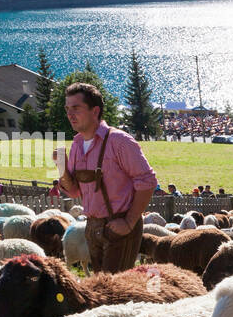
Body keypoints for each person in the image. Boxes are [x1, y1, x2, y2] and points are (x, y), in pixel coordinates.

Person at [56, 82, 157, 273]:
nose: (70, 114)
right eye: (67, 109)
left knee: (114, 293)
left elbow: (147, 181)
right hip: (92, 228)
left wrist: (129, 222)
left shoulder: (119, 141)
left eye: (76, 108)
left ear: (95, 111)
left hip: (120, 226)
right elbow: (76, 190)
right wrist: (61, 169)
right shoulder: (77, 144)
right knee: (100, 289)